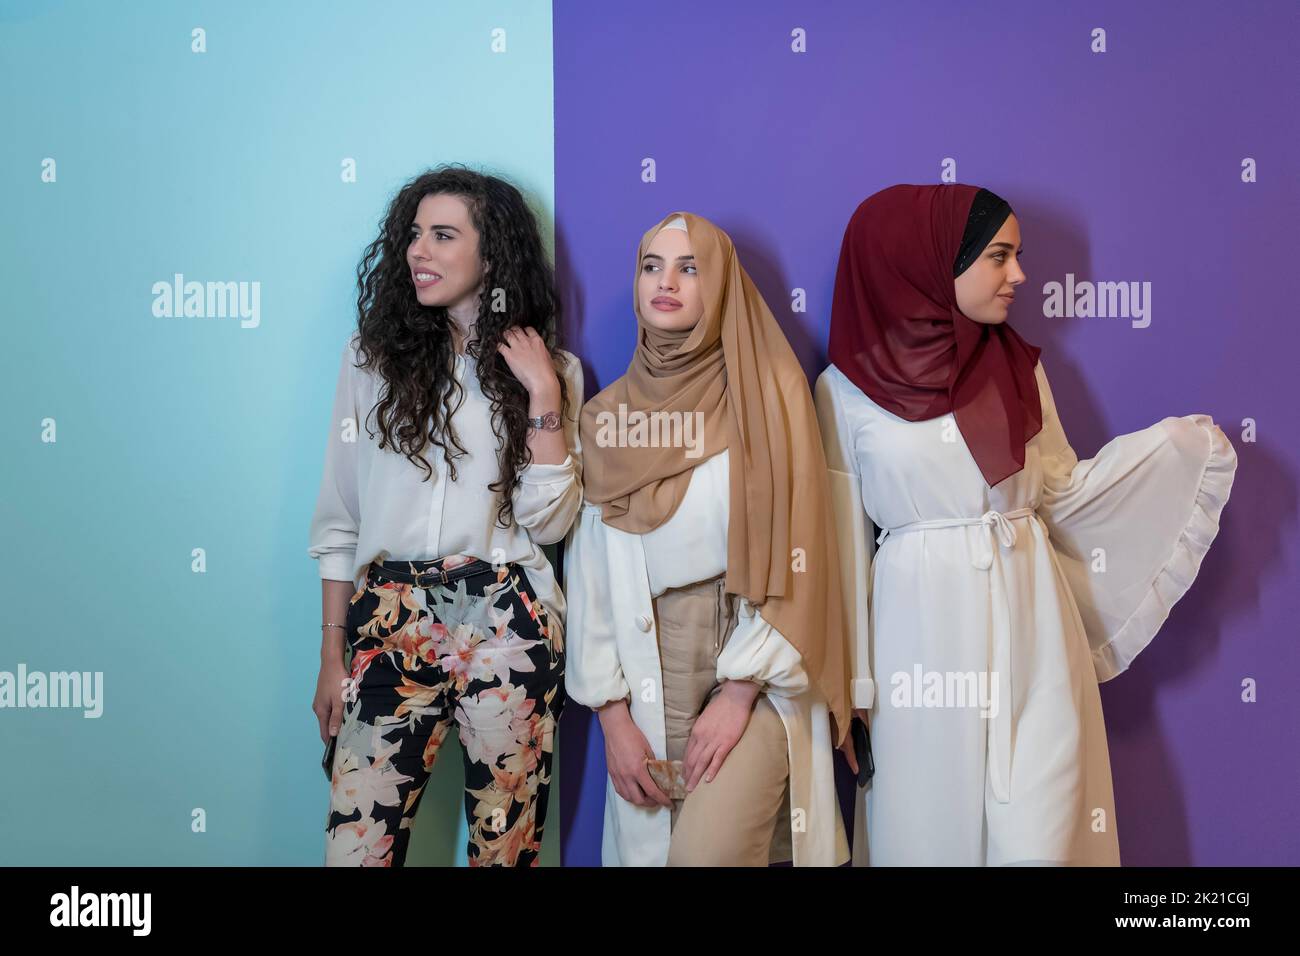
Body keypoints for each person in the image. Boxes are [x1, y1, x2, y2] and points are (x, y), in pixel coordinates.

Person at [815, 183, 1237, 865]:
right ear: (930, 263)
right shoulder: (845, 391)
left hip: (1031, 623)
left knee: (1047, 826)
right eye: (999, 257)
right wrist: (854, 689)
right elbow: (840, 545)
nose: (1020, 276)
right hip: (917, 641)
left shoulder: (1015, 368)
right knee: (928, 833)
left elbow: (1060, 491)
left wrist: (1169, 455)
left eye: (1018, 256)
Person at [308, 166, 583, 866]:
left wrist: (544, 389)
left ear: (489, 255)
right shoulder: (368, 361)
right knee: (355, 851)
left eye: (442, 235)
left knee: (504, 852)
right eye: (412, 235)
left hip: (507, 617)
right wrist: (331, 651)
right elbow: (340, 518)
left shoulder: (551, 370)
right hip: (389, 613)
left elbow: (548, 525)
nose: (417, 251)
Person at [565, 212, 856, 866]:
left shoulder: (769, 395)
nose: (665, 282)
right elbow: (590, 578)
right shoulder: (607, 417)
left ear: (720, 284)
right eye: (651, 266)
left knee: (705, 854)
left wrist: (739, 691)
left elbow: (801, 553)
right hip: (647, 672)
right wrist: (612, 719)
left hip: (751, 657)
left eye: (689, 267)